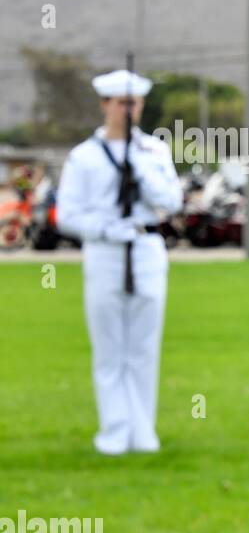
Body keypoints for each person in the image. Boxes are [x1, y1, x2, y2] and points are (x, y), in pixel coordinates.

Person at [56, 70, 183, 455]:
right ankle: (114, 431)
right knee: (110, 348)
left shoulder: (154, 151)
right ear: (105, 105)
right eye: (122, 103)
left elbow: (172, 200)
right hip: (106, 252)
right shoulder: (84, 157)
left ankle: (143, 431)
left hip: (145, 249)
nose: (129, 111)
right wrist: (107, 229)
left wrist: (142, 171)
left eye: (135, 104)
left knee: (144, 348)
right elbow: (67, 215)